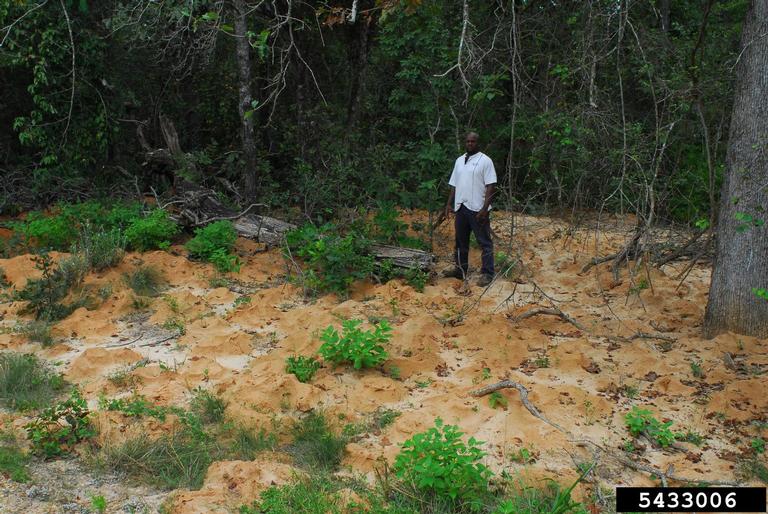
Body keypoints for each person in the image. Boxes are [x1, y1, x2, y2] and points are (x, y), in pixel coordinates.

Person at [442, 132, 497, 287]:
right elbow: (454, 184)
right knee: (460, 241)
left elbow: (491, 186)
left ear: (478, 143)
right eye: (467, 141)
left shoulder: (485, 161)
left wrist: (485, 209)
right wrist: (448, 204)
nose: (470, 144)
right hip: (461, 207)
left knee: (484, 242)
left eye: (473, 141)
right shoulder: (459, 161)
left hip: (478, 209)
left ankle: (487, 273)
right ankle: (460, 270)